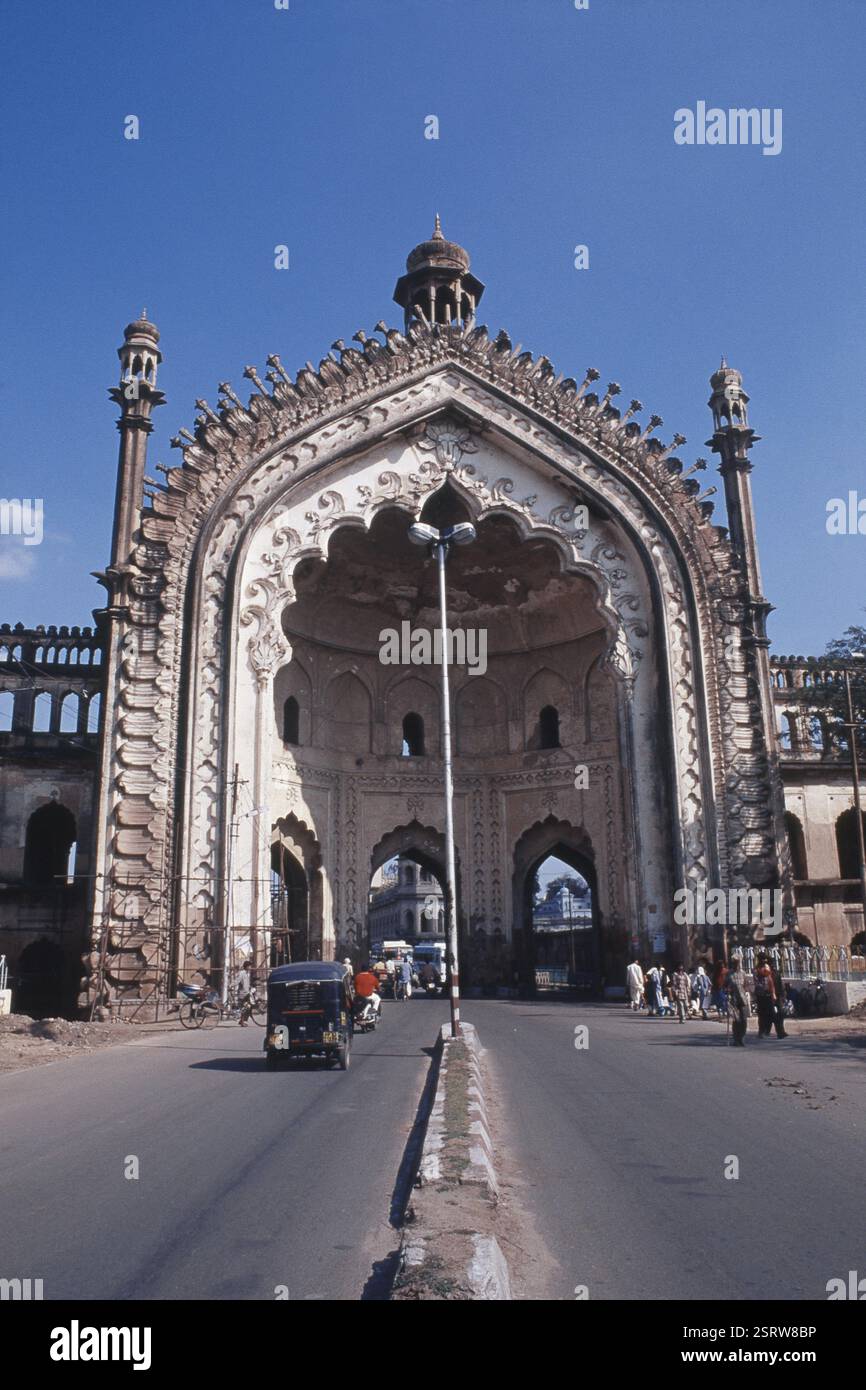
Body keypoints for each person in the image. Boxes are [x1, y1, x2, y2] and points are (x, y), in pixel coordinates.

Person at [753, 951, 777, 1038]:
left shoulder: (767, 968)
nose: (764, 961)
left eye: (765, 959)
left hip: (768, 994)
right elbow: (756, 982)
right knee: (761, 1013)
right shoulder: (756, 970)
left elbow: (771, 981)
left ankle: (767, 1030)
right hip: (761, 994)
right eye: (763, 959)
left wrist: (773, 992)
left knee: (770, 1013)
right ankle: (761, 1031)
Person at [726, 956, 749, 1046]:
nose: (736, 964)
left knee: (744, 1019)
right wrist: (727, 990)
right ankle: (736, 1039)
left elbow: (746, 985)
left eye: (737, 962)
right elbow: (725, 984)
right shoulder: (729, 974)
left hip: (743, 999)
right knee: (736, 1020)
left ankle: (742, 1038)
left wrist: (746, 992)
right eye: (734, 962)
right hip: (734, 999)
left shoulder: (743, 973)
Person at [771, 960, 788, 1039]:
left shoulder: (777, 973)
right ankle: (779, 1031)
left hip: (778, 996)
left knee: (781, 1013)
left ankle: (781, 1030)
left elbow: (781, 985)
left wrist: (783, 995)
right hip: (770, 997)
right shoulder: (766, 974)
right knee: (775, 1015)